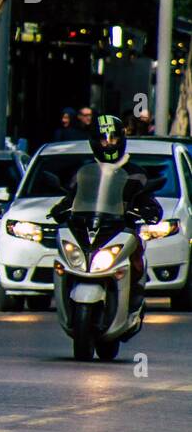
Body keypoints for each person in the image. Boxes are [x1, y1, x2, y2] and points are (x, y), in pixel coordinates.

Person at [49, 114, 162, 305]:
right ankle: (67, 293)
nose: (109, 144)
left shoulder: (136, 172)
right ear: (94, 142)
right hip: (87, 230)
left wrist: (149, 210)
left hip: (122, 229)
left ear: (121, 140)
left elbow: (147, 198)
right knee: (65, 258)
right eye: (103, 140)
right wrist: (60, 209)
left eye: (113, 139)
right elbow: (72, 196)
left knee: (136, 256)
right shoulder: (85, 172)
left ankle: (134, 297)